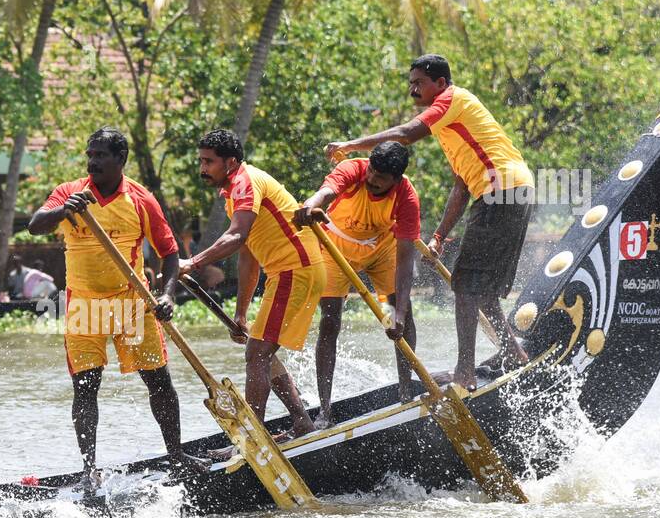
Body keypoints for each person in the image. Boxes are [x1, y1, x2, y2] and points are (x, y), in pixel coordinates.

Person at [325, 54, 535, 390]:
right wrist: (439, 236)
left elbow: (407, 134)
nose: (412, 91)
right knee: (482, 290)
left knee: (465, 286)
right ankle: (513, 353)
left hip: (501, 190)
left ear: (439, 83)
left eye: (418, 83)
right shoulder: (450, 127)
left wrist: (353, 145)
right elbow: (461, 185)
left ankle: (464, 373)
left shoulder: (452, 99)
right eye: (410, 84)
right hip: (512, 191)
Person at [26, 126, 202, 486]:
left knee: (158, 381)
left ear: (120, 160)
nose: (93, 162)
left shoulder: (141, 199)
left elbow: (170, 254)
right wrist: (62, 211)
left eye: (101, 155)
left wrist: (167, 295)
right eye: (90, 155)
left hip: (130, 303)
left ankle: (176, 455)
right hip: (83, 305)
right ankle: (90, 469)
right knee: (86, 387)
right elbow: (34, 227)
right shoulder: (69, 193)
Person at [181, 129, 325, 438]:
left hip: (295, 269)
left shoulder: (245, 183)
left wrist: (192, 263)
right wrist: (241, 314)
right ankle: (301, 421)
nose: (202, 169)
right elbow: (248, 258)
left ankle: (253, 438)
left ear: (230, 162)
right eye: (201, 162)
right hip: (288, 271)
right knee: (262, 352)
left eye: (209, 162)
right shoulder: (234, 192)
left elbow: (236, 236)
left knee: (257, 354)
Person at [292, 142, 422, 427]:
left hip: (381, 252)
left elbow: (404, 258)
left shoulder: (407, 196)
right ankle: (325, 411)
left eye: (381, 178)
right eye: (372, 172)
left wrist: (397, 312)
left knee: (400, 318)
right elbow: (327, 191)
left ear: (397, 180)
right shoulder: (354, 168)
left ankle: (406, 392)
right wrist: (311, 205)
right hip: (335, 248)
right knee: (330, 321)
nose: (372, 180)